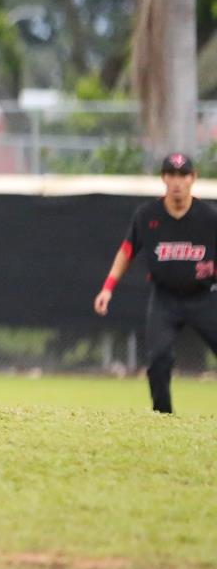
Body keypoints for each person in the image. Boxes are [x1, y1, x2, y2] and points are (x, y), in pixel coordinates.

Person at [93, 151, 217, 414]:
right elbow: (127, 251)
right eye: (171, 174)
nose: (177, 181)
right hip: (165, 299)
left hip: (205, 296)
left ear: (193, 178)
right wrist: (107, 288)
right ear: (163, 178)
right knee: (159, 359)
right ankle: (163, 416)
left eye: (183, 175)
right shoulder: (148, 215)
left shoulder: (209, 217)